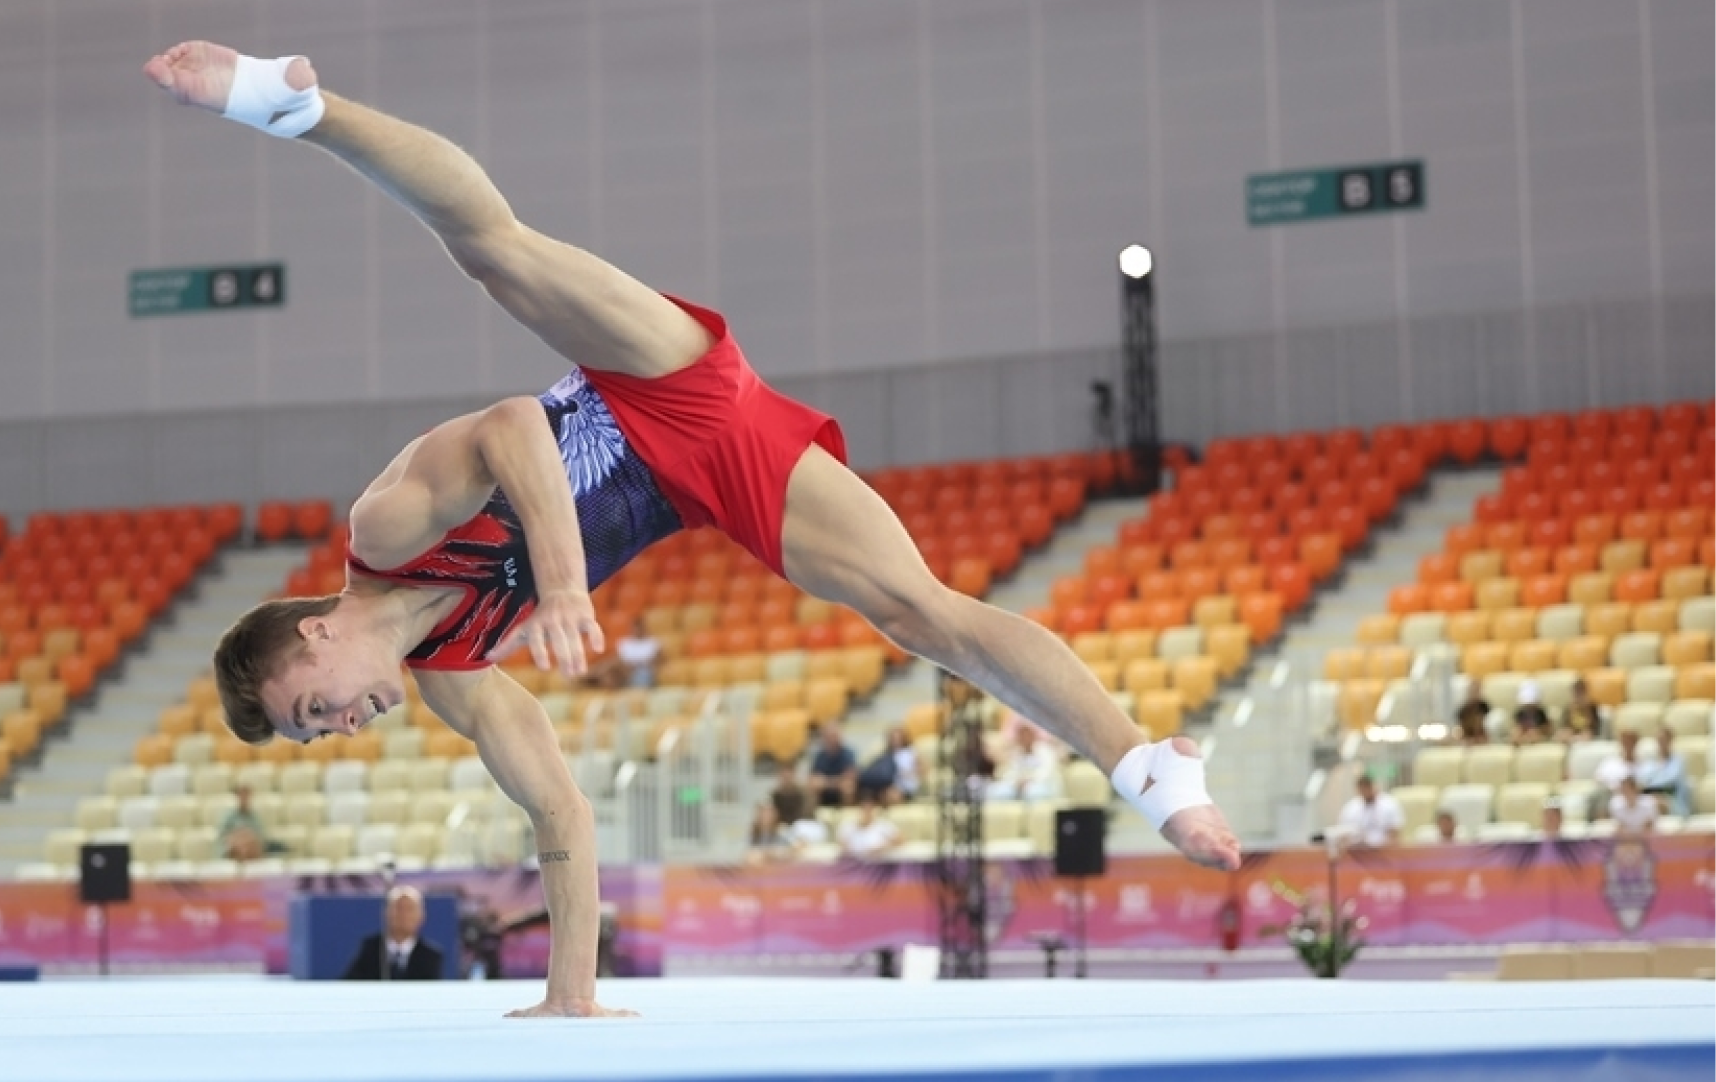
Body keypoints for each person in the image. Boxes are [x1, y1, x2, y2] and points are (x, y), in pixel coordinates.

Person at [147, 40, 1236, 1016]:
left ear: (312, 636)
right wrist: (569, 1000)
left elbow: (516, 426)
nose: (339, 726)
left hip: (646, 381)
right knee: (920, 617)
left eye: (312, 710)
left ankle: (288, 103)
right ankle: (1153, 771)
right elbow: (558, 811)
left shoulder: (384, 527)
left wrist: (564, 582)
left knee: (492, 250)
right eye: (314, 735)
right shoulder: (453, 670)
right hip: (704, 479)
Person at [343, 885, 445, 981]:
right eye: (398, 908)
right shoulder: (371, 949)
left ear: (421, 916)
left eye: (409, 909)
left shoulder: (430, 956)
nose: (403, 915)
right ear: (386, 913)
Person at [986, 724, 1065, 802]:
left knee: (1033, 792)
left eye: (1027, 735)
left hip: (1043, 785)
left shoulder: (1045, 751)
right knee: (998, 791)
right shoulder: (1016, 752)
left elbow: (1046, 772)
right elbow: (1011, 772)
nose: (1024, 738)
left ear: (1033, 736)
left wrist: (1029, 781)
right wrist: (1017, 782)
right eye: (1021, 735)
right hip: (1020, 787)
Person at [1333, 774, 1404, 848]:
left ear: (1374, 786)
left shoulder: (1390, 804)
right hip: (1358, 851)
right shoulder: (1350, 809)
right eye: (1363, 788)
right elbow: (1343, 835)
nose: (1366, 790)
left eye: (1368, 786)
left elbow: (1395, 834)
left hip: (1384, 850)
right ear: (1358, 789)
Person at [216, 786, 281, 861]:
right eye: (241, 796)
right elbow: (222, 839)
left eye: (246, 796)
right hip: (233, 853)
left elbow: (261, 837)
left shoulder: (255, 817)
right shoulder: (227, 817)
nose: (244, 799)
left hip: (253, 854)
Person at [1639, 728, 1691, 816]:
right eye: (1659, 740)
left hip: (1673, 797)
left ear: (1670, 740)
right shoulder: (1651, 761)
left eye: (1664, 740)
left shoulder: (1678, 760)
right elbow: (1644, 778)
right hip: (1653, 795)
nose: (1661, 743)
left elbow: (1672, 779)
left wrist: (1654, 783)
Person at [806, 722, 858, 809]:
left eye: (834, 736)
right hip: (826, 789)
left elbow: (850, 776)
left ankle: (847, 811)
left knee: (848, 787)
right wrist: (833, 782)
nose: (832, 739)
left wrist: (827, 782)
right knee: (812, 786)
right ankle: (814, 813)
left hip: (839, 788)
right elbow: (813, 777)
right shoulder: (819, 756)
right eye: (829, 736)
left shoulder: (848, 753)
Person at [836, 794, 902, 860]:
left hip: (878, 860)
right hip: (855, 861)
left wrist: (883, 849)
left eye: (870, 807)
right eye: (863, 807)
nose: (867, 811)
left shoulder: (883, 825)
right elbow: (842, 844)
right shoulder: (847, 825)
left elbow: (900, 839)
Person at [611, 619, 661, 690]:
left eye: (639, 629)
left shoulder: (653, 643)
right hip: (625, 670)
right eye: (634, 629)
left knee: (643, 676)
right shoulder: (624, 643)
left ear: (643, 629)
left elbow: (656, 660)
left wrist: (638, 665)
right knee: (611, 673)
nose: (636, 631)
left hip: (644, 671)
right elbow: (618, 660)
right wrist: (625, 667)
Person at [1558, 678, 1603, 742]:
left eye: (1580, 693)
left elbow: (1594, 726)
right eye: (1576, 693)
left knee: (1587, 734)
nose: (1578, 696)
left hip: (1586, 731)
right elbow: (1564, 724)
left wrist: (1586, 710)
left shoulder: (1592, 706)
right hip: (1572, 730)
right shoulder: (1568, 707)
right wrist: (1572, 711)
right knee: (1563, 734)